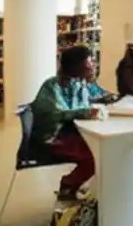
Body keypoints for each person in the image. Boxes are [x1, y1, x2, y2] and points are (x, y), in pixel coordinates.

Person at [32, 45, 116, 202]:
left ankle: (97, 191)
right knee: (95, 154)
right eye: (89, 61)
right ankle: (68, 185)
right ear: (77, 65)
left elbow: (90, 99)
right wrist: (83, 113)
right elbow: (56, 113)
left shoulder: (79, 83)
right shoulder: (52, 86)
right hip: (53, 137)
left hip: (73, 133)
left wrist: (110, 99)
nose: (93, 65)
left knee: (104, 148)